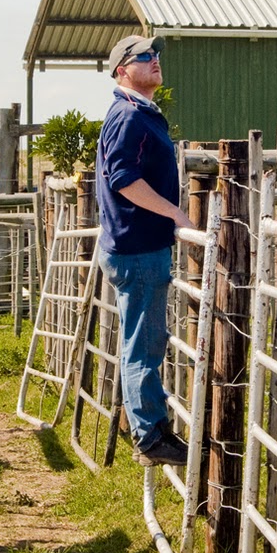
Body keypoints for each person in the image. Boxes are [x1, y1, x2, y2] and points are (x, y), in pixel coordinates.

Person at [95, 33, 197, 467]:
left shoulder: (139, 113)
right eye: (144, 57)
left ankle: (148, 425)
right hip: (138, 247)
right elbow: (122, 178)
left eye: (155, 55)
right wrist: (175, 213)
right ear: (123, 70)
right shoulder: (129, 116)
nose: (155, 60)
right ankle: (150, 434)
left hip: (135, 244)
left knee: (143, 337)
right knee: (145, 340)